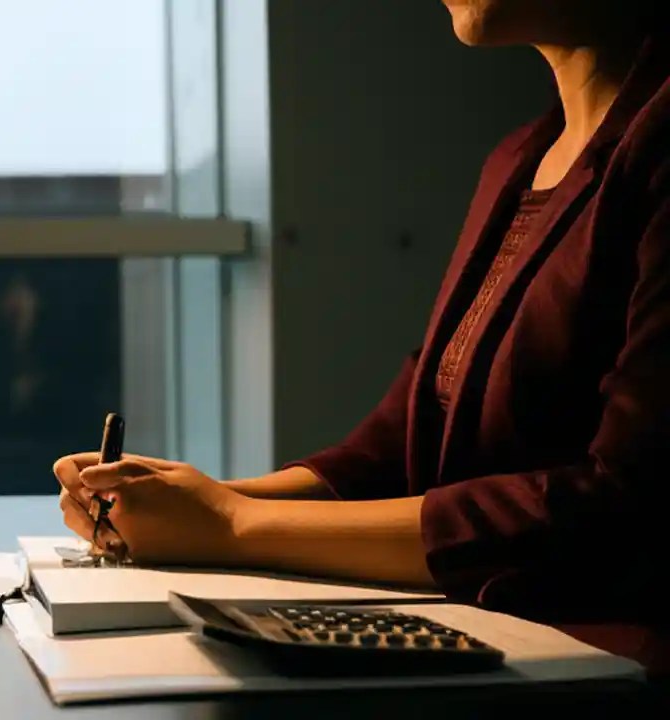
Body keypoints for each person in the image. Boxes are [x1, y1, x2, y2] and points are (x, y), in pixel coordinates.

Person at [56, 1, 670, 672]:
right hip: (505, 649)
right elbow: (403, 443)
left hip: (610, 671)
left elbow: (625, 504)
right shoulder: (520, 159)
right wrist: (191, 497)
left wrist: (233, 525)